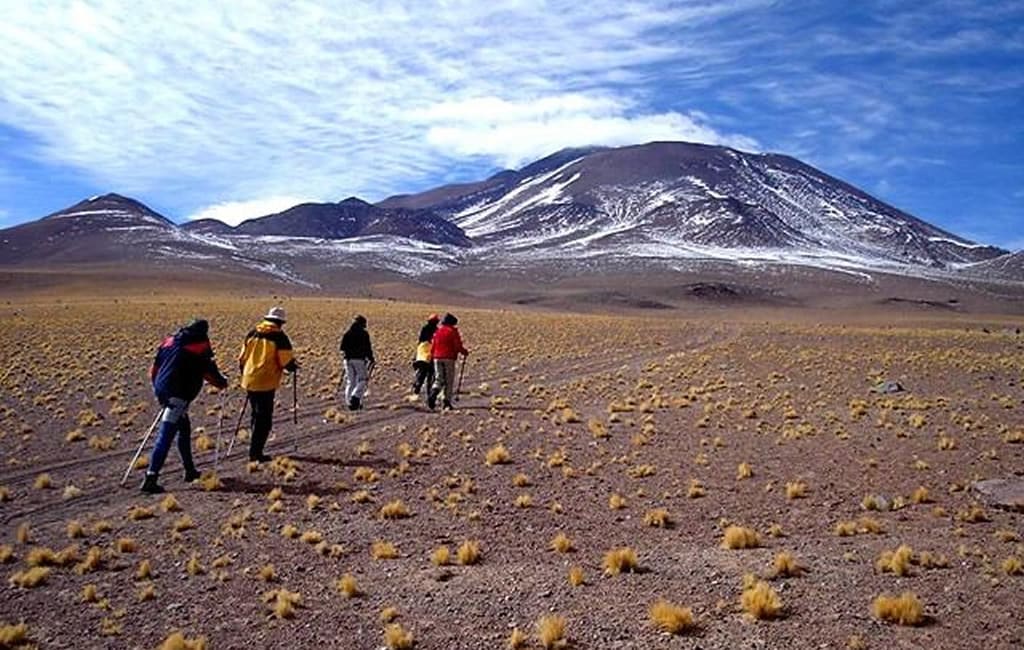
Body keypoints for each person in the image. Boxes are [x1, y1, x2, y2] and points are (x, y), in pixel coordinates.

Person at [142, 319, 228, 494]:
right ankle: (151, 478)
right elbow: (209, 373)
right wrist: (221, 383)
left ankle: (190, 470)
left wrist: (159, 389)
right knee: (166, 434)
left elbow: (154, 369)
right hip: (177, 395)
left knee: (184, 428)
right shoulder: (199, 346)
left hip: (162, 389)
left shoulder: (170, 341)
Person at [238, 306, 298, 462]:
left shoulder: (252, 333)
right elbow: (286, 361)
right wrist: (293, 366)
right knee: (264, 418)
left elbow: (242, 357)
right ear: (279, 322)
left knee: (255, 414)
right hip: (266, 381)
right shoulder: (279, 337)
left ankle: (254, 447)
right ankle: (255, 453)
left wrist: (245, 373)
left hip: (249, 378)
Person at [428, 313, 468, 411]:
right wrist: (464, 352)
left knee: (438, 378)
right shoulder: (453, 331)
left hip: (437, 357)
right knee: (448, 380)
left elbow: (433, 345)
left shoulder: (438, 331)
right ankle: (446, 402)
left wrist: (432, 356)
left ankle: (433, 393)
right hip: (448, 358)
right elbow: (457, 345)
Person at [340, 315, 375, 410]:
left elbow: (342, 348)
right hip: (359, 360)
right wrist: (371, 358)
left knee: (350, 381)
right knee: (362, 380)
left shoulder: (347, 333)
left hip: (347, 360)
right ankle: (355, 397)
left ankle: (349, 403)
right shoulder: (364, 334)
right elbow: (368, 348)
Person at [412, 313, 440, 396]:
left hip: (422, 352)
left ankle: (418, 385)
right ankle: (429, 391)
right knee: (430, 372)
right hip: (431, 353)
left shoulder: (424, 328)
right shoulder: (437, 330)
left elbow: (420, 340)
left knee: (422, 371)